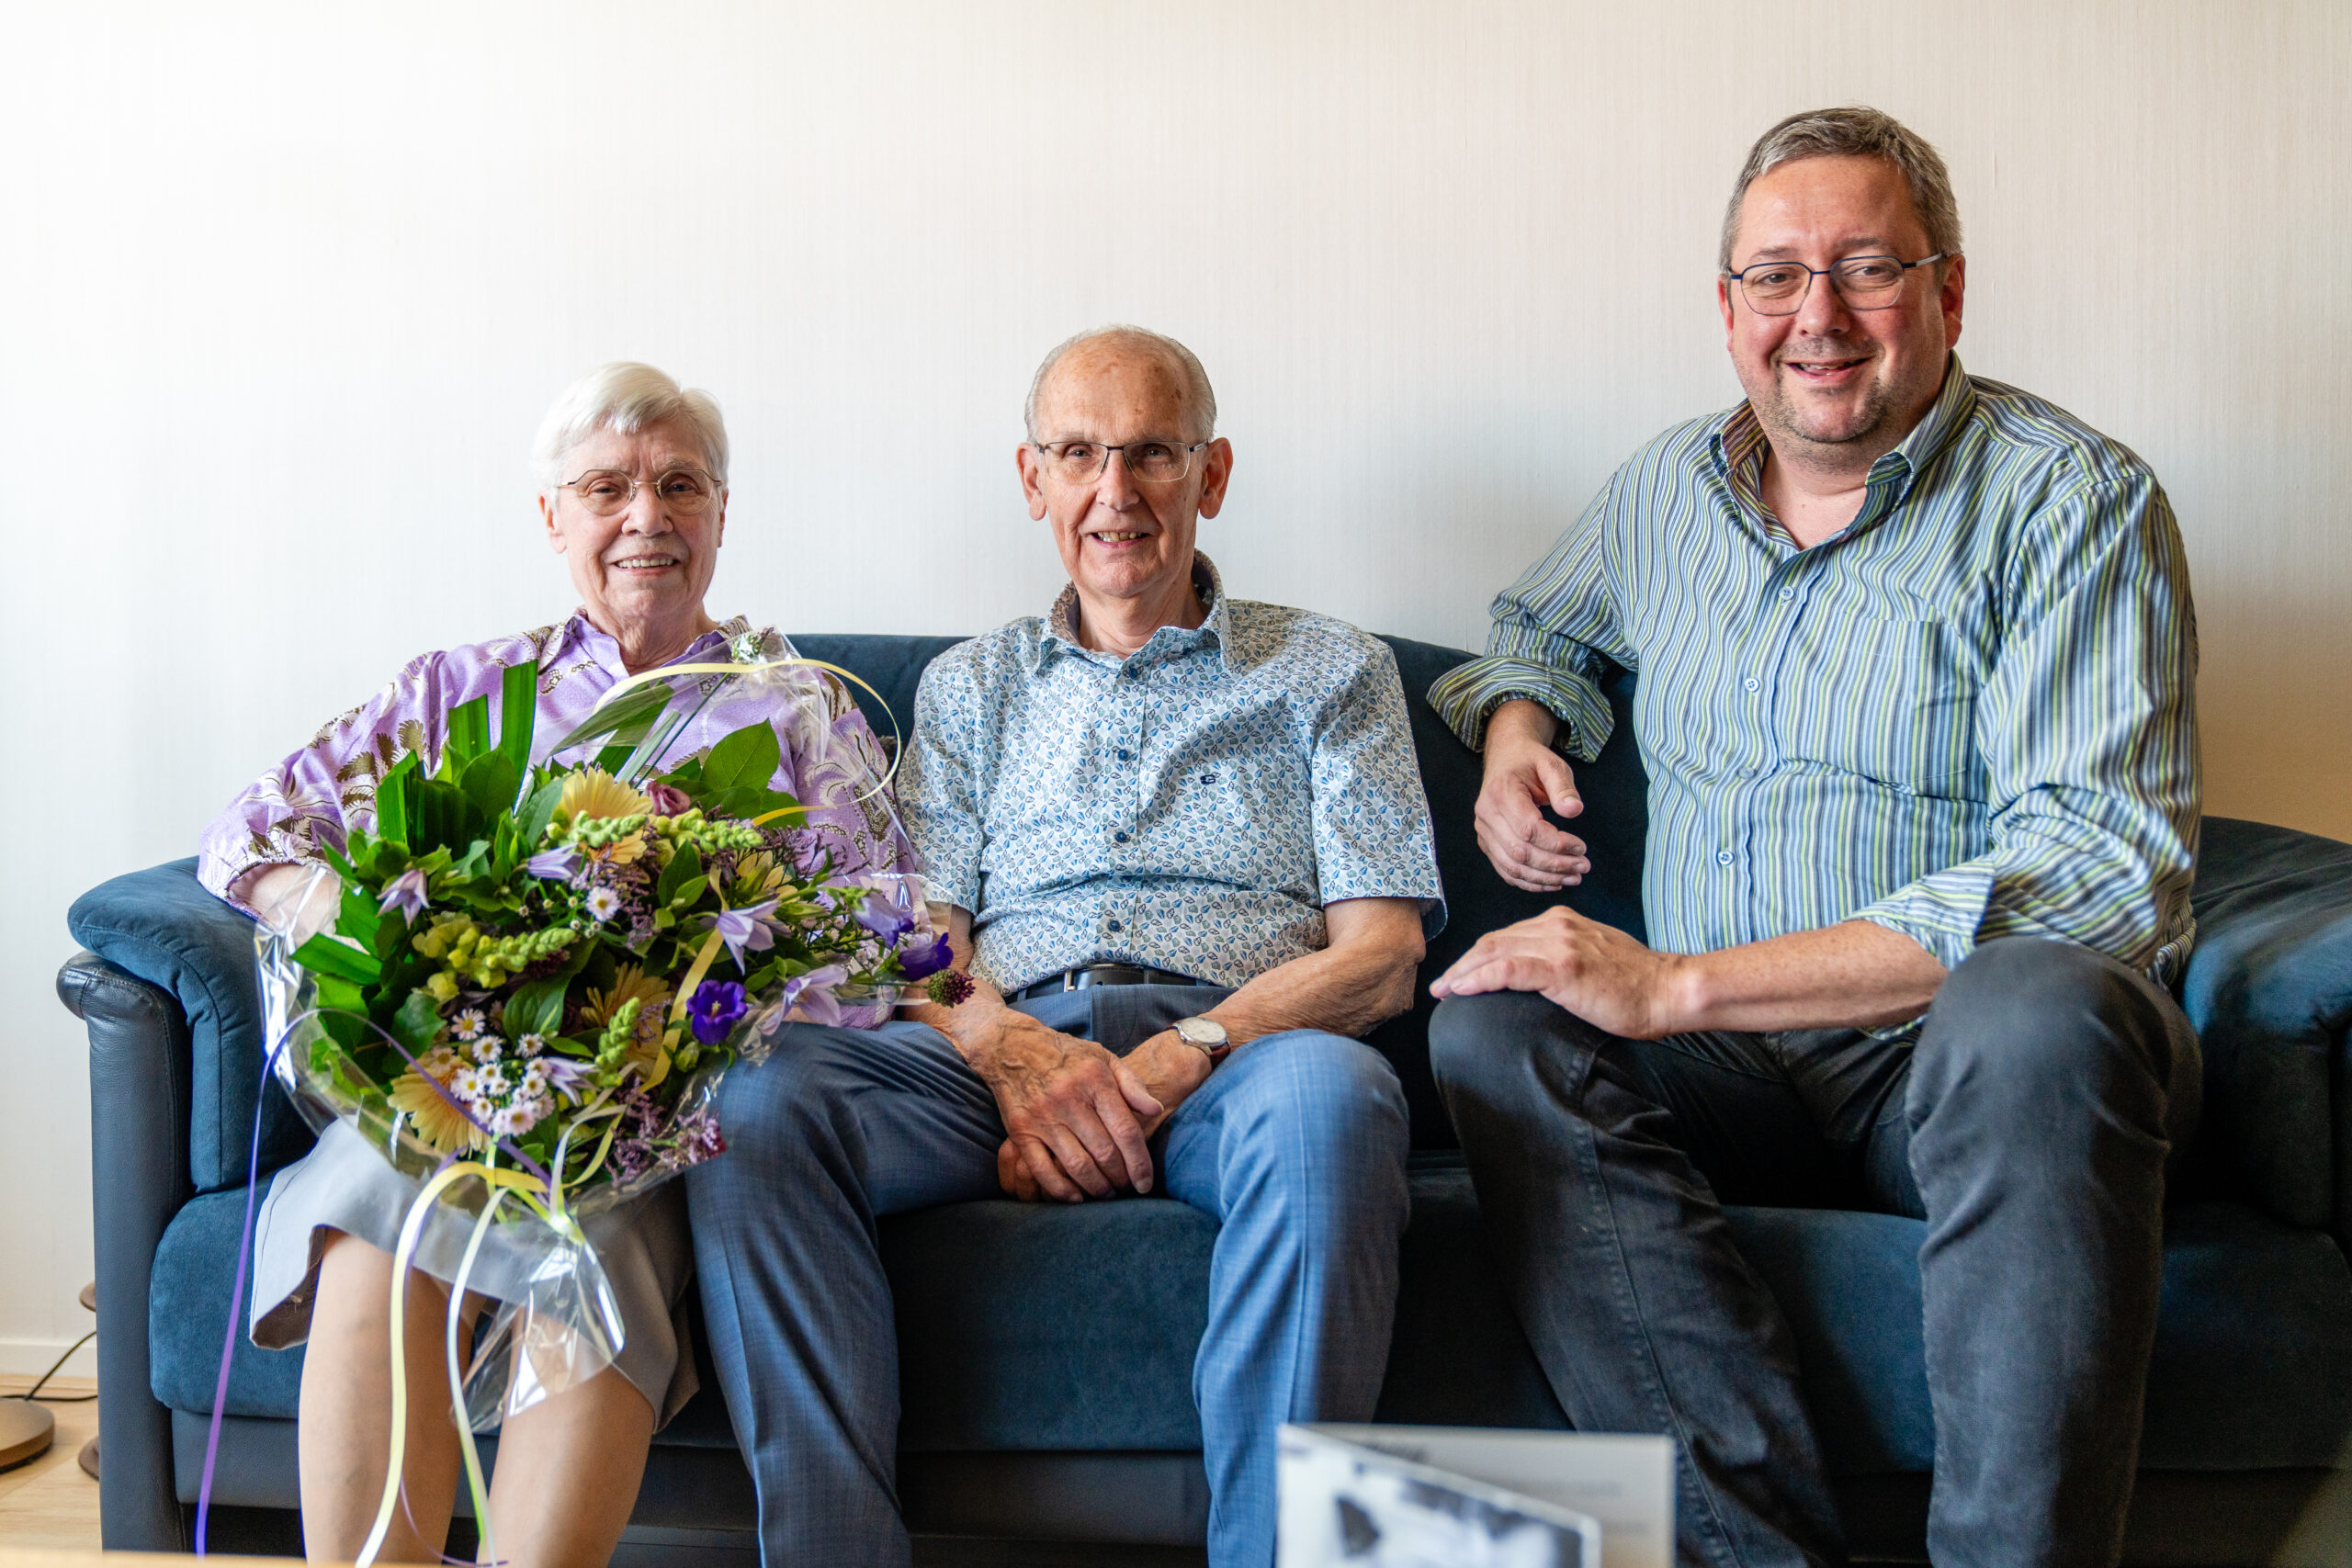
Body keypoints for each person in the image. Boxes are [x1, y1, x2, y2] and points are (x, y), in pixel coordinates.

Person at [1424, 107, 2200, 1568]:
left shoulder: (2070, 501)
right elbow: (1534, 628)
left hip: (1956, 1063)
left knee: (2038, 1005)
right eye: (1775, 277)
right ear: (1727, 311)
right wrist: (1520, 733)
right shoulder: (1666, 492)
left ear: (1950, 293)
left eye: (1866, 270)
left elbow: (2101, 870)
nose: (1818, 318)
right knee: (1496, 1026)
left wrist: (1679, 987)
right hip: (1730, 1082)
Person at [686, 324, 1446, 1568]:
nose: (1116, 492)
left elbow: (1380, 953)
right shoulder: (969, 685)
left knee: (1336, 1103)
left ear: (1212, 476)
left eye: (1152, 452)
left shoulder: (1329, 669)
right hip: (994, 1048)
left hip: (1238, 1054)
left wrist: (1185, 1054)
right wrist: (1004, 1050)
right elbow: (920, 926)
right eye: (1079, 453)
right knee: (761, 1101)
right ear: (1032, 480)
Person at [198, 362, 913, 1566]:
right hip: (456, 1105)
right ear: (553, 518)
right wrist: (347, 913)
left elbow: (884, 938)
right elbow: (249, 832)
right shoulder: (463, 692)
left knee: (597, 1265)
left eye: (681, 486)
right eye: (608, 489)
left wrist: (700, 991)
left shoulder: (794, 710)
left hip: (648, 1130)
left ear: (722, 515)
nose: (648, 517)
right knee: (382, 1206)